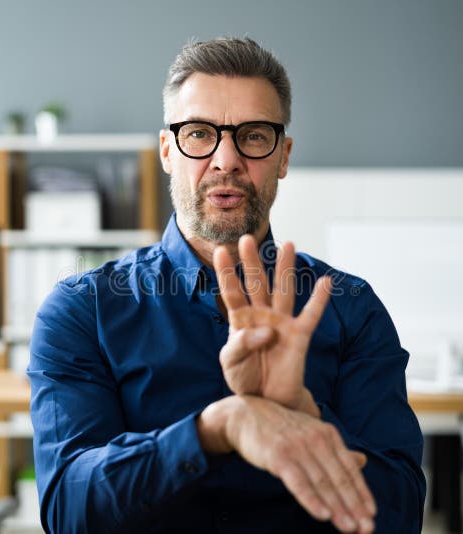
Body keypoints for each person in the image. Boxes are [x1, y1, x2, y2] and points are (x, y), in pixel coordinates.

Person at [28, 37, 426, 533]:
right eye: (199, 134)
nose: (226, 160)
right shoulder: (82, 310)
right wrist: (214, 429)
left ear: (283, 156)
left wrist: (305, 414)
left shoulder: (351, 309)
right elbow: (68, 510)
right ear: (167, 151)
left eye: (254, 136)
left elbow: (401, 513)